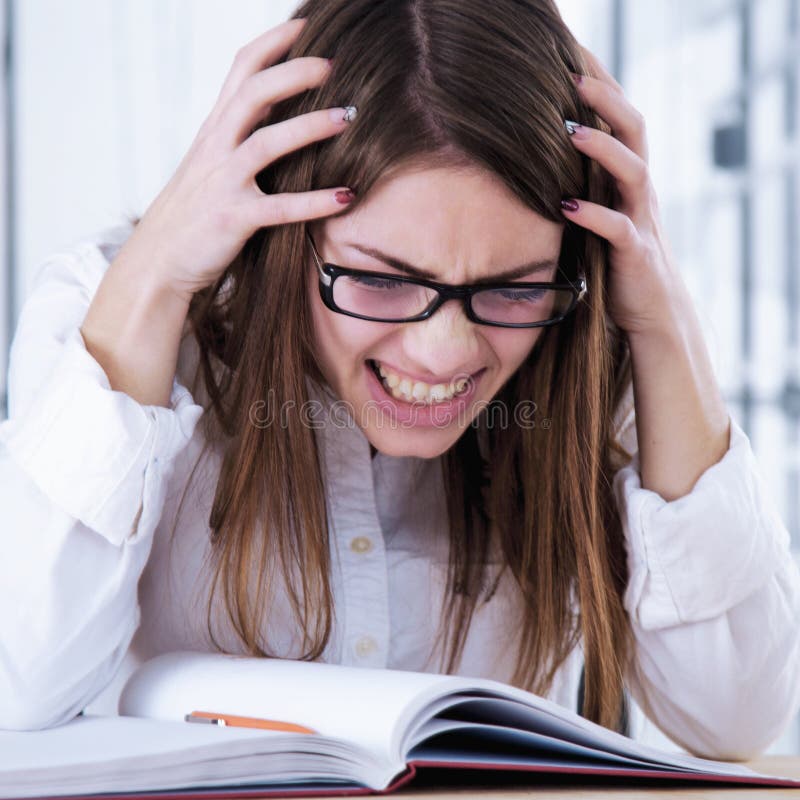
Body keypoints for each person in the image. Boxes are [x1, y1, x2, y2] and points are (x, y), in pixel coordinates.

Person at [1, 0, 798, 759]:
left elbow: (735, 718)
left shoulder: (584, 343)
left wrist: (665, 324)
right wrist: (156, 278)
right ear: (288, 238)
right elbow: (18, 685)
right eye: (382, 280)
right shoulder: (109, 313)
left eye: (513, 287)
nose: (445, 352)